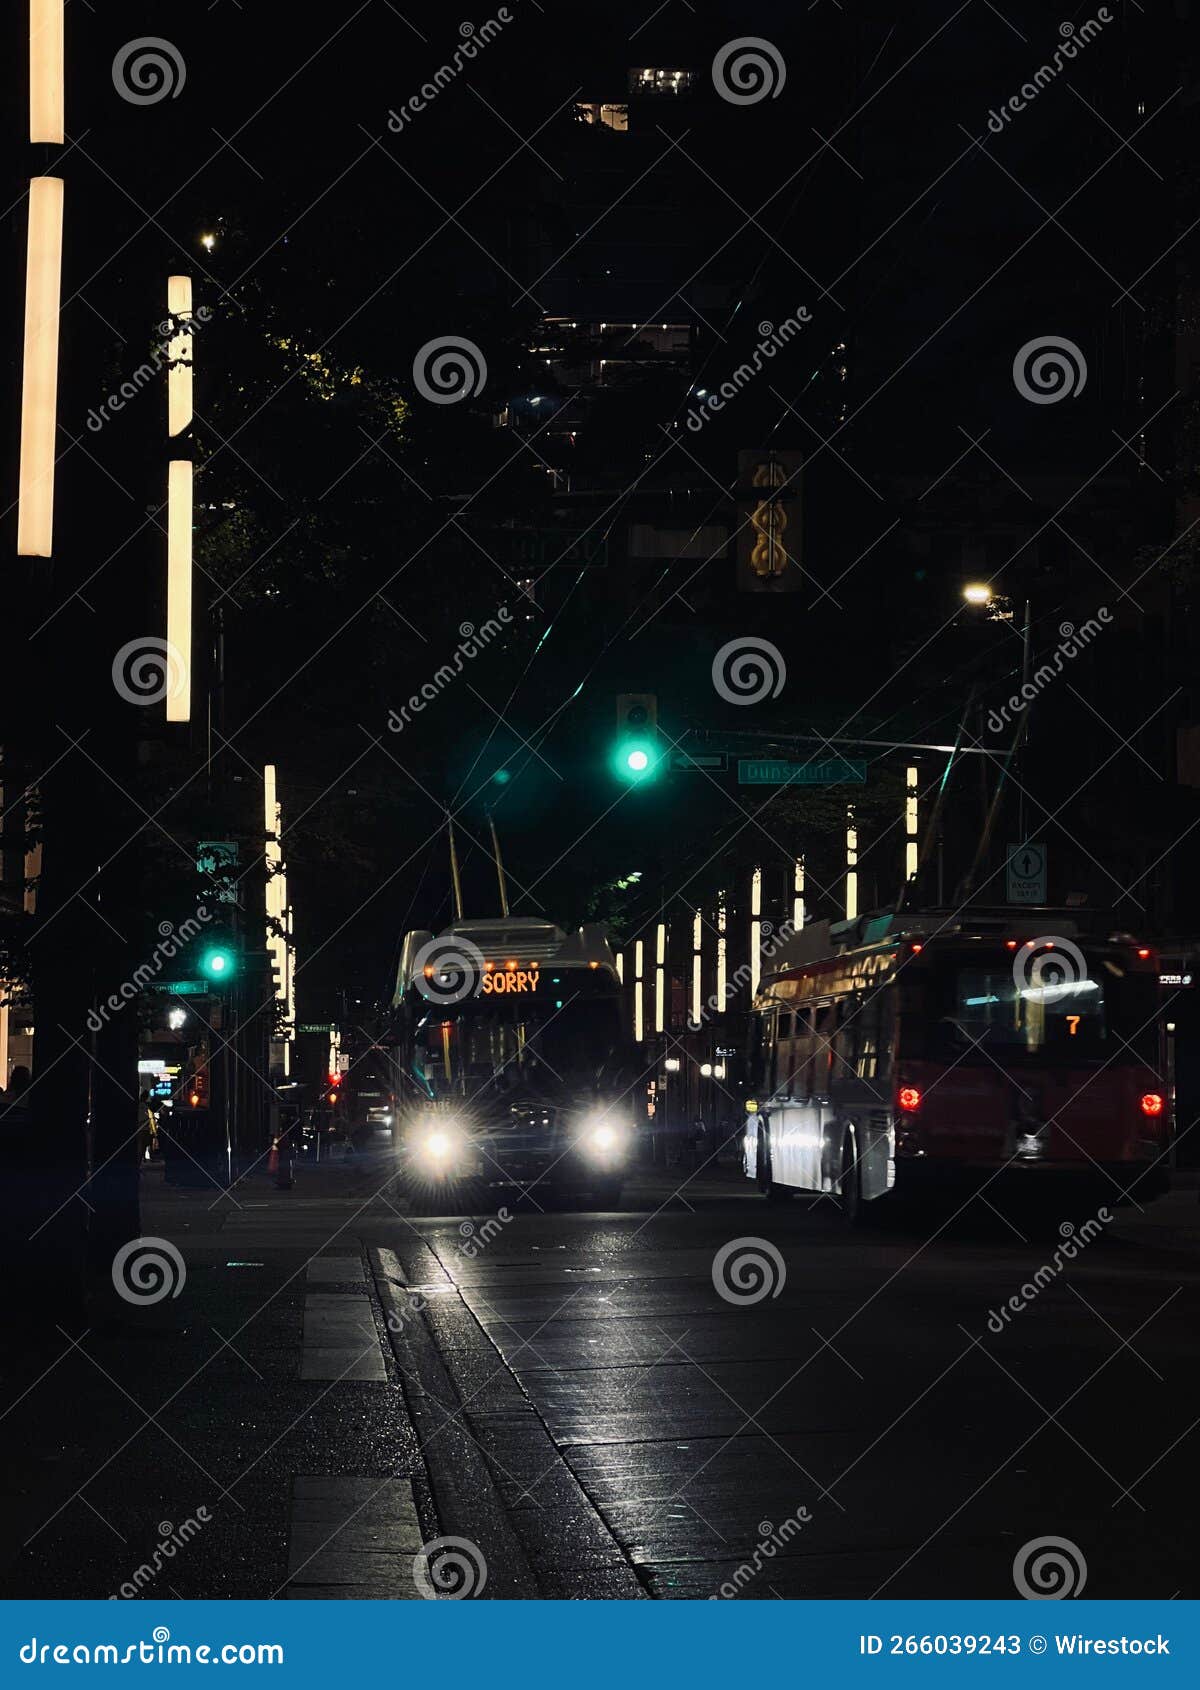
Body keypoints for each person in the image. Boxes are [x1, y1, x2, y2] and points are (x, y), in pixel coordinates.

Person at [137, 1090, 159, 1163]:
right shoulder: (147, 1107)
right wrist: (154, 1131)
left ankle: (141, 1158)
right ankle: (143, 1158)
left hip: (140, 1129)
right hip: (145, 1129)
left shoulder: (139, 1106)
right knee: (145, 1144)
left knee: (141, 1145)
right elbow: (151, 1120)